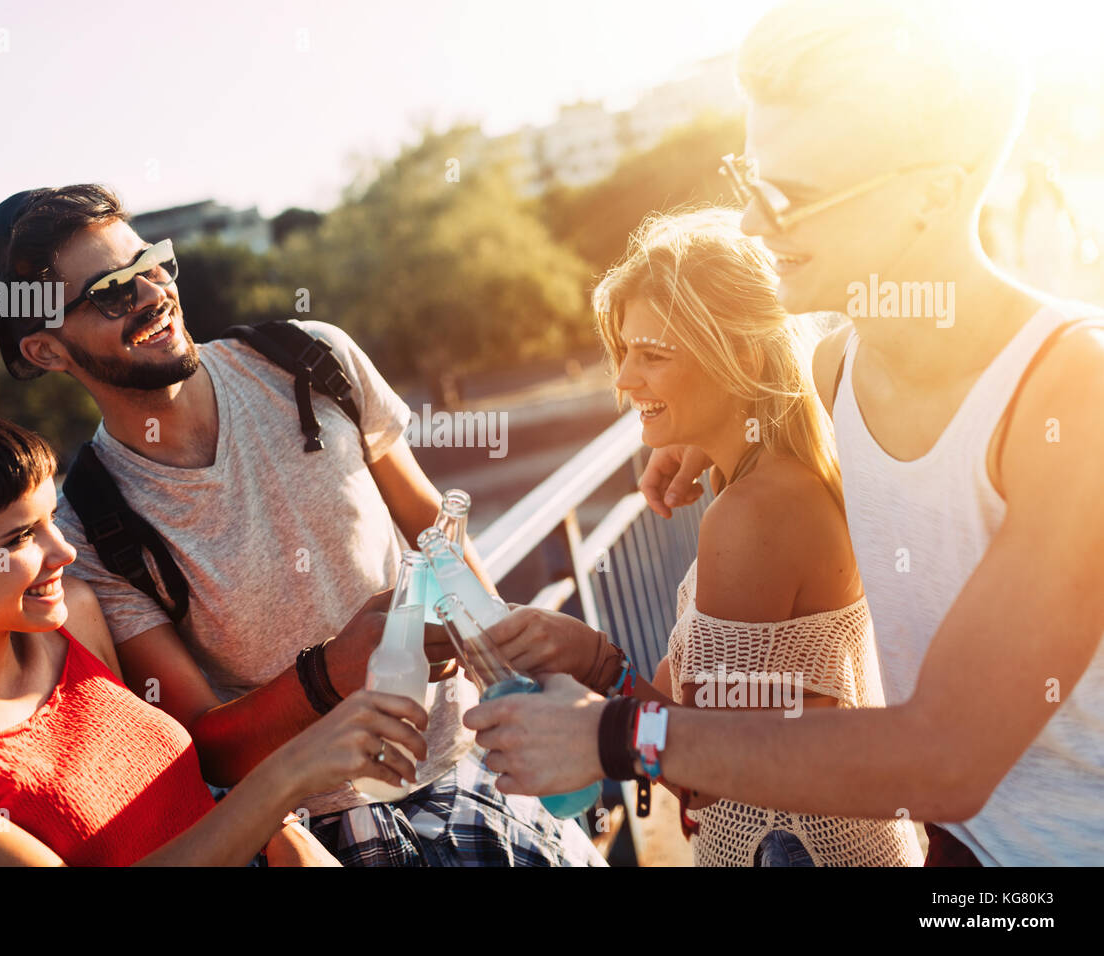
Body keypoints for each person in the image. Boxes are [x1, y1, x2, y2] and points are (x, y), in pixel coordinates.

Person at [464, 0, 1104, 866]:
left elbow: (948, 761)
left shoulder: (1074, 392)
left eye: (792, 196)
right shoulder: (839, 366)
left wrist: (622, 737)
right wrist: (703, 434)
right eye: (747, 181)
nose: (757, 226)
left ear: (932, 194)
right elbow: (775, 396)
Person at [0, 184, 601, 866]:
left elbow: (434, 532)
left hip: (488, 762)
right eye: (112, 292)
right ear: (46, 351)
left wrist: (511, 674)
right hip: (327, 838)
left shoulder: (312, 360)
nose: (153, 294)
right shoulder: (89, 526)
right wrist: (333, 671)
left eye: (151, 263)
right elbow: (207, 745)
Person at [474, 208, 920, 865]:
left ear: (739, 352)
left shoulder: (750, 516)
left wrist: (597, 661)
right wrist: (703, 441)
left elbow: (704, 772)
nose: (624, 381)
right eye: (624, 351)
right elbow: (733, 710)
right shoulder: (797, 464)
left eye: (652, 355)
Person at [0, 403, 431, 866]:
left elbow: (188, 808)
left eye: (50, 518)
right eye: (19, 539)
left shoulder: (77, 620)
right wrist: (283, 780)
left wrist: (284, 833)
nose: (62, 552)